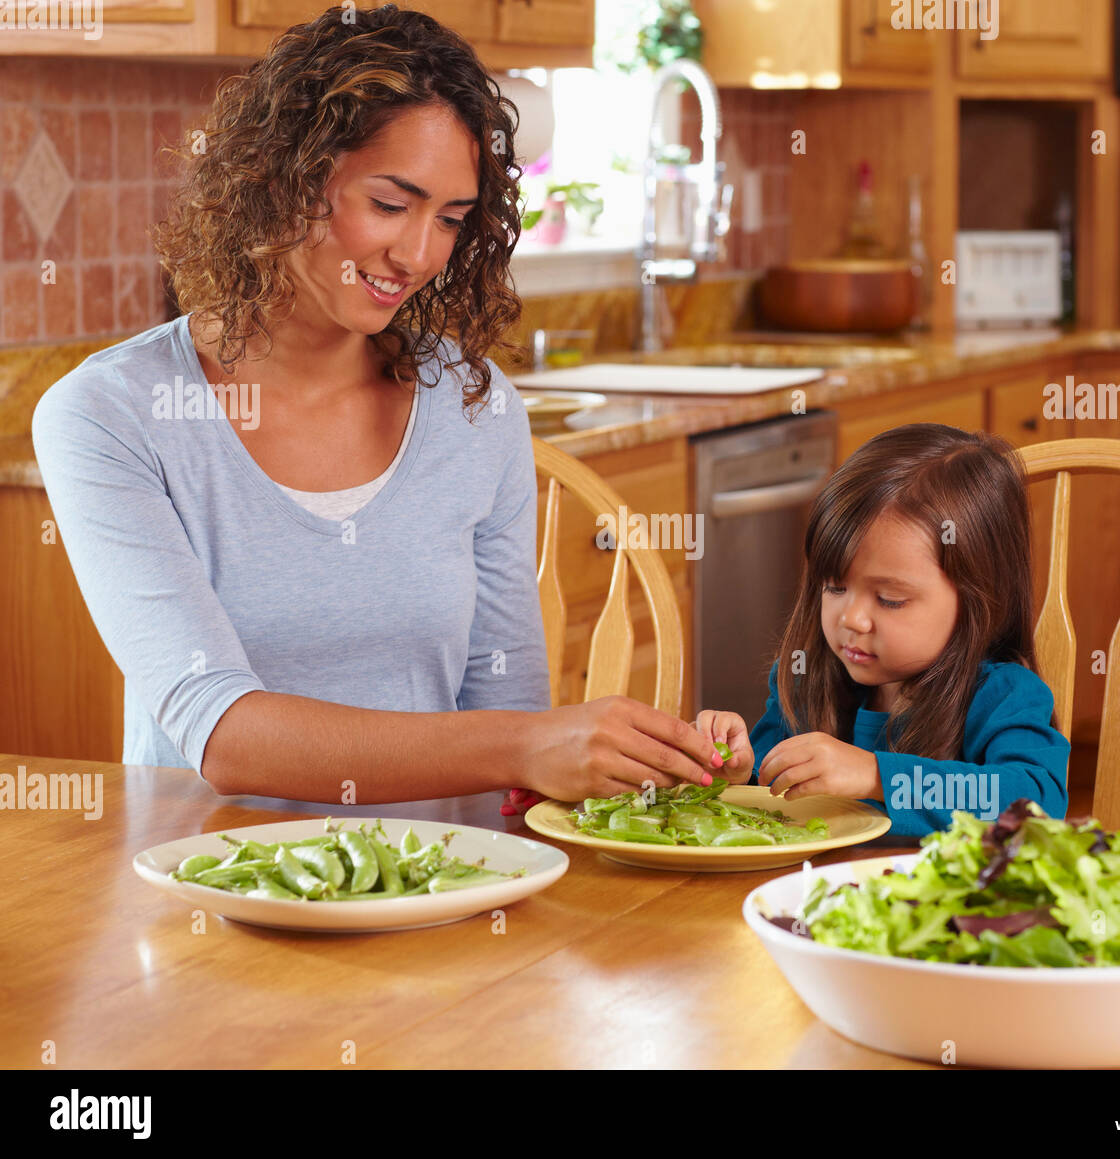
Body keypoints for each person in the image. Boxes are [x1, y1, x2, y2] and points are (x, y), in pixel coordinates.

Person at [30, 6, 722, 806]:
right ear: (282, 177)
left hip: (451, 880)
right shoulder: (109, 416)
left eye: (452, 220)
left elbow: (509, 711)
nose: (420, 254)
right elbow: (220, 730)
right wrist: (529, 742)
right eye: (391, 205)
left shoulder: (473, 405)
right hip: (214, 895)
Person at [693, 423, 1069, 837]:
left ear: (977, 601)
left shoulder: (1003, 697)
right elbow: (772, 798)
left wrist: (877, 775)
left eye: (890, 599)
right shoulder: (805, 681)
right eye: (835, 587)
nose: (851, 618)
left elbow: (1034, 804)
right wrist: (741, 771)